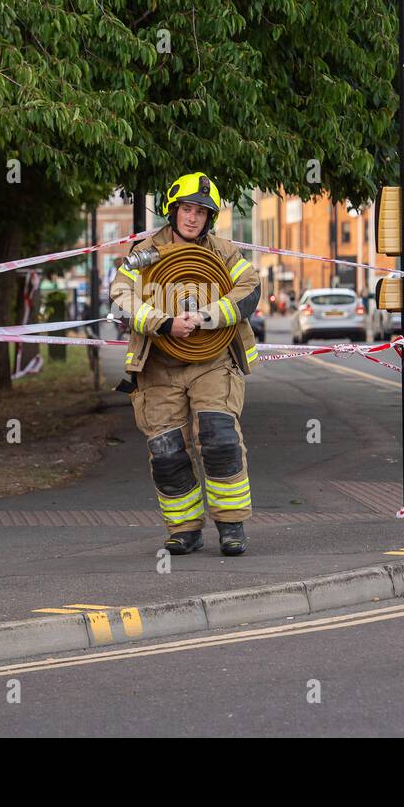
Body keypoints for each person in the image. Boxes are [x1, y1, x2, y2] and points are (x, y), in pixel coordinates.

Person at [110, 173, 262, 556]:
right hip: (159, 365)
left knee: (219, 438)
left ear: (209, 219)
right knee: (166, 450)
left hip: (213, 361)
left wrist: (207, 317)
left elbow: (251, 287)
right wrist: (163, 322)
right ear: (173, 210)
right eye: (187, 209)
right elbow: (119, 294)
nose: (193, 218)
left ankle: (231, 526)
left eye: (201, 212)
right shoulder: (145, 252)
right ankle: (184, 529)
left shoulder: (224, 252)